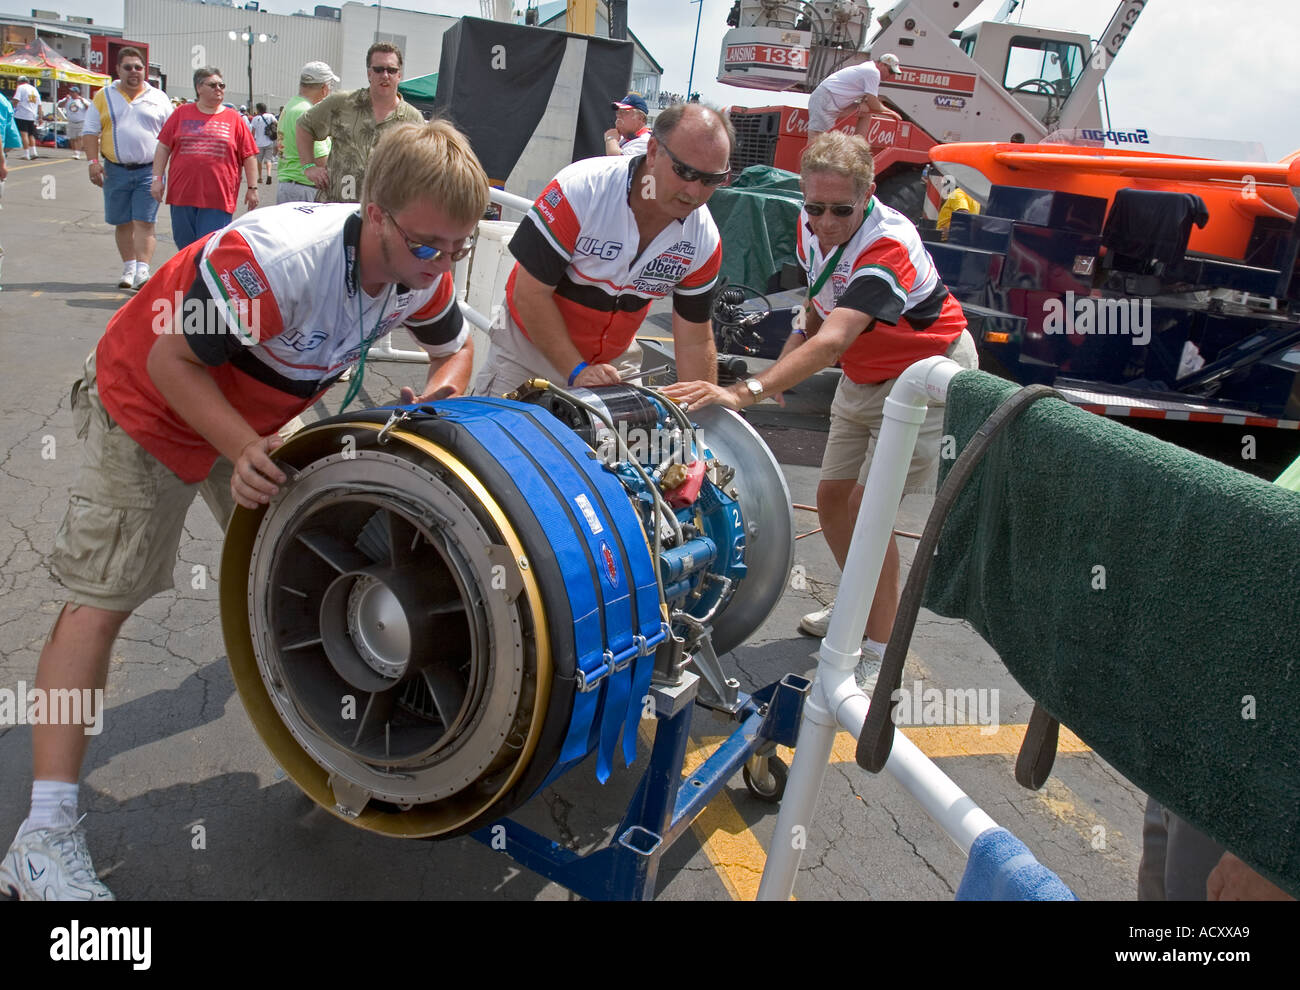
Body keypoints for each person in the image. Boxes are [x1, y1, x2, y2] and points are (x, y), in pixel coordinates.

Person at [0, 119, 489, 901]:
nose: (441, 266)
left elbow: (454, 349)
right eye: (430, 246)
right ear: (375, 208)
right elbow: (172, 361)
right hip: (151, 406)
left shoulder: (427, 264)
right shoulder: (274, 262)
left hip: (251, 412)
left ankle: (349, 745)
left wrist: (436, 394)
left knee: (318, 564)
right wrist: (241, 448)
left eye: (458, 248)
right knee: (99, 603)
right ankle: (41, 836)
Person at [663, 132, 977, 691]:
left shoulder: (888, 245)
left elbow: (833, 339)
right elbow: (818, 301)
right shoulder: (818, 229)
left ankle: (881, 650)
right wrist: (787, 357)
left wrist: (748, 390)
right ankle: (857, 605)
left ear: (869, 195)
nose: (825, 221)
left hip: (923, 375)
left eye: (839, 209)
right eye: (814, 208)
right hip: (866, 372)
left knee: (869, 509)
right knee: (833, 500)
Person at [472, 101, 728, 397]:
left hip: (612, 365)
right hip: (530, 355)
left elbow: (695, 339)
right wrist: (577, 370)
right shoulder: (581, 188)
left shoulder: (704, 238)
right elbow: (529, 294)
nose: (694, 191)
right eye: (684, 171)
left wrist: (703, 415)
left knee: (635, 442)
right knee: (500, 441)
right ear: (654, 151)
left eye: (711, 180)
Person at [83, 47, 172, 290]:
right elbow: (90, 132)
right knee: (122, 222)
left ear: (145, 70)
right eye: (128, 67)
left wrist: (165, 172)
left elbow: (171, 136)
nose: (134, 72)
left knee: (145, 221)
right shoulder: (104, 96)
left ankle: (143, 272)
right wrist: (93, 164)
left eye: (138, 67)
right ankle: (129, 268)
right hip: (115, 170)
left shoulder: (159, 98)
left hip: (149, 171)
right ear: (118, 70)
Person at [296, 42, 423, 204]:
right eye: (378, 69)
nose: (385, 75)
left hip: (383, 214)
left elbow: (422, 166)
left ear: (399, 75)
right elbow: (304, 125)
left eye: (391, 70)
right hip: (335, 208)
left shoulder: (413, 119)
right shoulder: (342, 103)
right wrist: (309, 167)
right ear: (369, 73)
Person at [151, 67, 258, 249]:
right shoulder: (181, 114)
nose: (219, 89)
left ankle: (202, 278)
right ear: (199, 88)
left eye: (222, 85)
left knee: (209, 249)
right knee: (185, 247)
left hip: (218, 197)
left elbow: (249, 156)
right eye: (213, 85)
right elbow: (163, 147)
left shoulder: (234, 119)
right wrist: (157, 179)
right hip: (182, 195)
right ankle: (189, 278)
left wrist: (252, 188)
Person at [276, 60, 338, 205]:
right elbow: (321, 159)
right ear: (324, 88)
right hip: (305, 188)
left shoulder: (291, 106)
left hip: (288, 185)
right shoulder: (310, 112)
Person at [807, 53, 903, 140]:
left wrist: (865, 104)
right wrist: (891, 113)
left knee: (866, 112)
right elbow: (874, 104)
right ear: (882, 64)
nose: (890, 75)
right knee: (817, 144)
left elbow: (870, 103)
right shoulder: (873, 72)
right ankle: (857, 147)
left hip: (830, 101)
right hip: (826, 99)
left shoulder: (869, 68)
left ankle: (857, 147)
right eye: (890, 71)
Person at [604, 93, 651, 157]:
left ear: (640, 118)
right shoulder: (623, 138)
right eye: (618, 112)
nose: (618, 116)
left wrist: (611, 139)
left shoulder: (646, 141)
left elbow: (617, 161)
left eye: (623, 112)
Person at [13, 75, 41, 160]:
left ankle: (26, 154)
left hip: (22, 114)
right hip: (32, 115)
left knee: (23, 134)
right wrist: (40, 117)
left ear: (19, 82)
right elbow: (40, 105)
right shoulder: (34, 89)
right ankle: (34, 152)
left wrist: (14, 108)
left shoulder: (21, 88)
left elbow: (16, 100)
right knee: (31, 134)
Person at [58, 85, 90, 160]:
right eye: (70, 92)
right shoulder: (68, 100)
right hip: (71, 121)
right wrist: (65, 100)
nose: (71, 93)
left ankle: (77, 153)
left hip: (81, 121)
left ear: (77, 93)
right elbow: (59, 105)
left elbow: (90, 108)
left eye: (73, 92)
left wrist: (83, 102)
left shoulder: (82, 100)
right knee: (72, 138)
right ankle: (75, 151)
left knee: (79, 137)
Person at [250, 101, 277, 185]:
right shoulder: (270, 116)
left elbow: (253, 132)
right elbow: (276, 124)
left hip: (258, 143)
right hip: (269, 141)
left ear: (258, 109)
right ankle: (269, 174)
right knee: (268, 160)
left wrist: (251, 142)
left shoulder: (255, 118)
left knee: (259, 161)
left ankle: (260, 177)